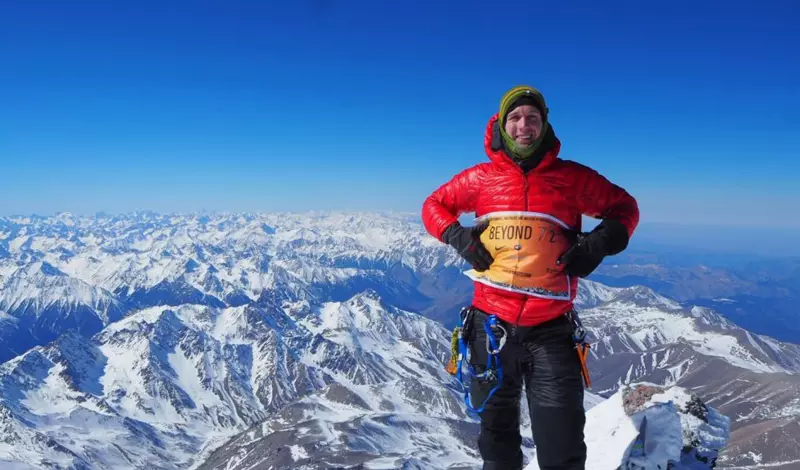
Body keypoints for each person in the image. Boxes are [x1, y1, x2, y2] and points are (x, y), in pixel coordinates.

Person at [421, 85, 639, 470]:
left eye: (533, 118)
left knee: (561, 447)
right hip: (490, 328)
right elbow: (434, 205)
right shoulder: (482, 179)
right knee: (497, 443)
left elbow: (624, 207)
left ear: (544, 125)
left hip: (551, 331)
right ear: (502, 126)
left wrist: (600, 242)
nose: (525, 126)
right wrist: (457, 236)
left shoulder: (570, 178)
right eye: (516, 118)